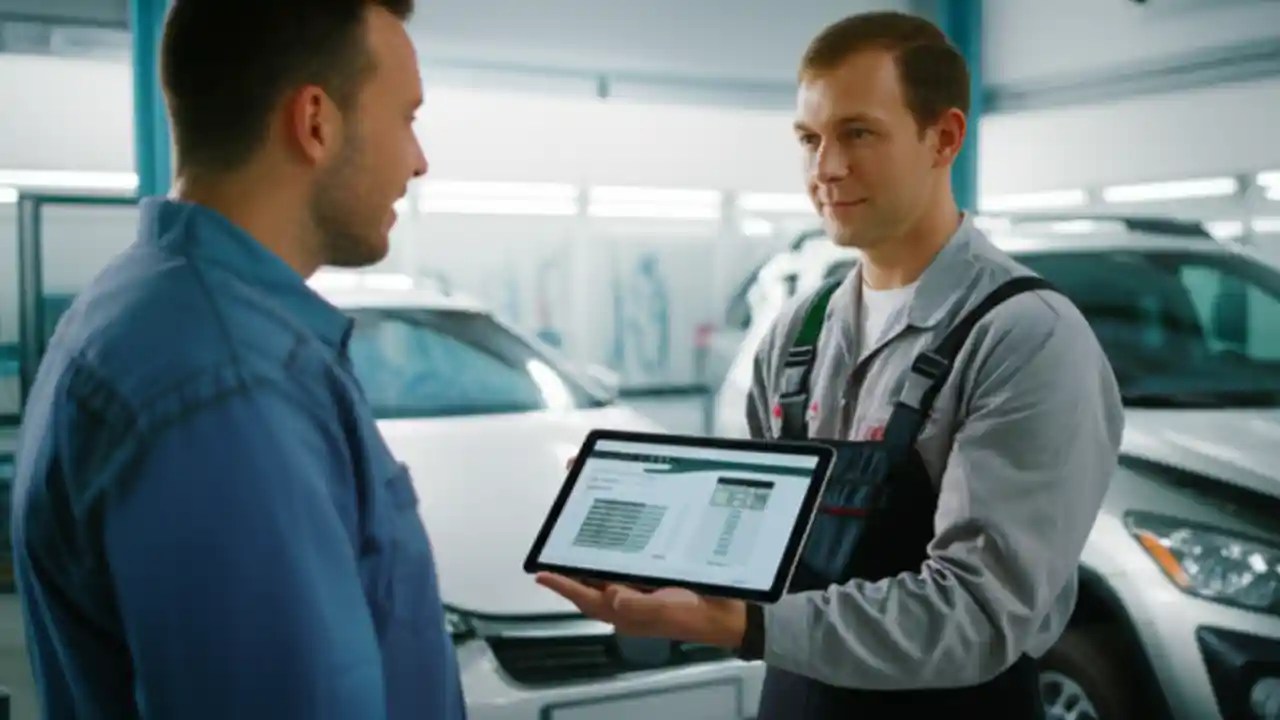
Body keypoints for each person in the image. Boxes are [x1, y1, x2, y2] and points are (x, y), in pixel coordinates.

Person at [536, 10, 1124, 718]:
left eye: (858, 133)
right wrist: (659, 528)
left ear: (944, 138)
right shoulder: (798, 332)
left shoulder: (1024, 337)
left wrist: (748, 625)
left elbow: (979, 613)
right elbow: (758, 550)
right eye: (810, 139)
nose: (825, 169)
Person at [10, 1, 465, 718]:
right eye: (407, 118)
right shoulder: (229, 386)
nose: (419, 160)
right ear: (315, 122)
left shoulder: (142, 304)